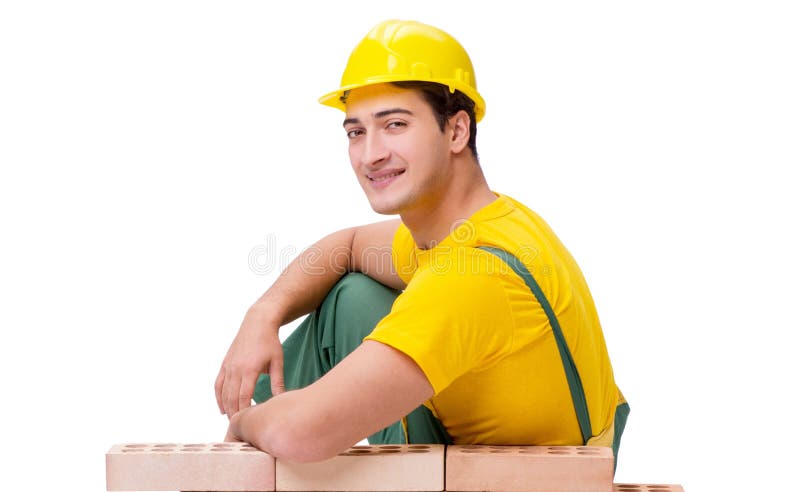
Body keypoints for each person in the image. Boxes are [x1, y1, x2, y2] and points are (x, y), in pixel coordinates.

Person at [216, 19, 629, 466]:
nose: (371, 154)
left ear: (456, 131)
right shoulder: (480, 224)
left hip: (534, 479)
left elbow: (300, 436)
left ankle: (268, 433)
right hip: (523, 452)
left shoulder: (472, 273)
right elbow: (349, 246)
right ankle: (282, 426)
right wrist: (262, 314)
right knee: (353, 297)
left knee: (293, 426)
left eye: (395, 124)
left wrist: (246, 423)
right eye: (356, 132)